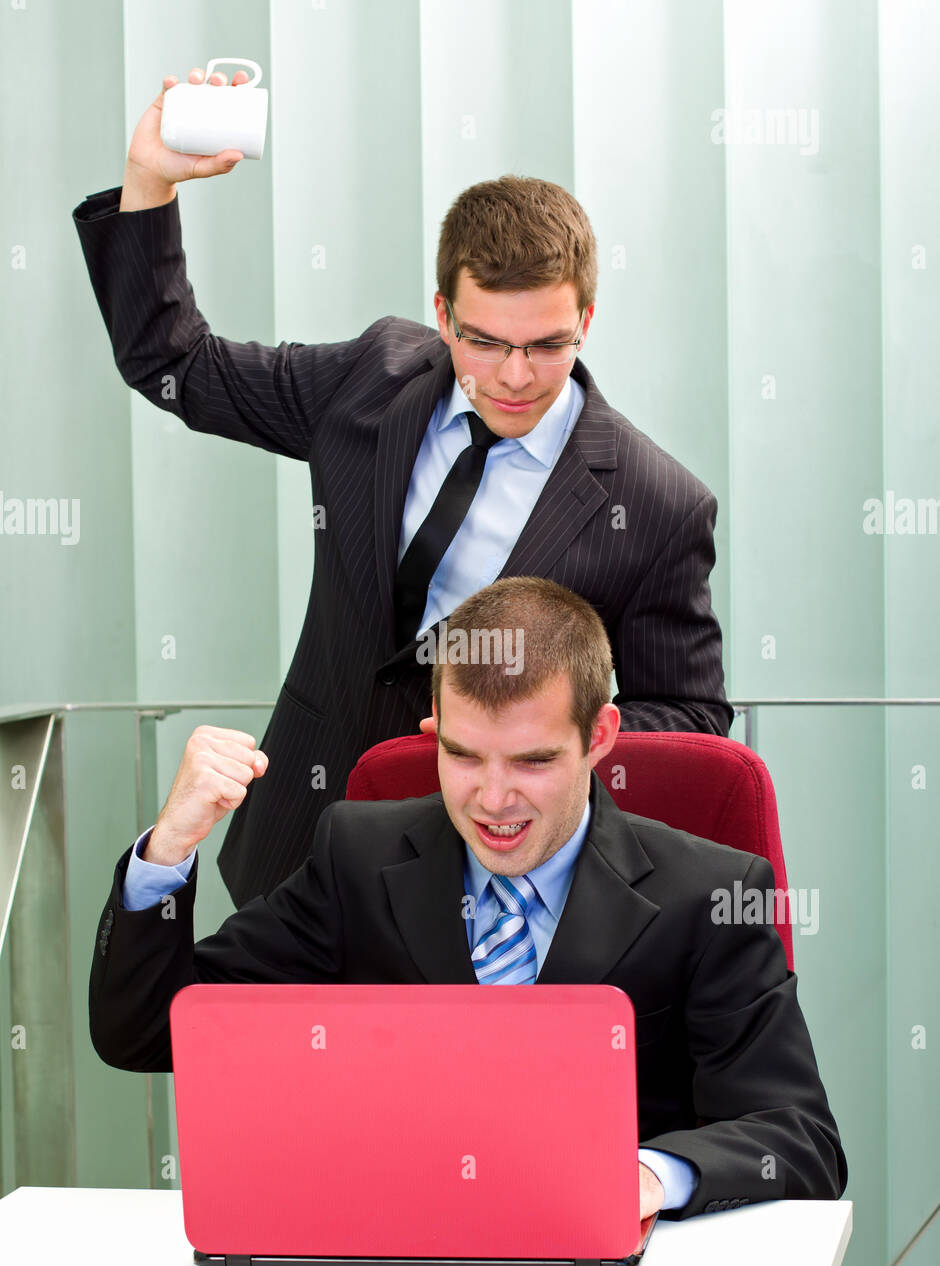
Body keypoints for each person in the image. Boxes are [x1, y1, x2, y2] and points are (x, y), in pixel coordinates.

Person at [73, 66, 733, 910]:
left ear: (587, 322)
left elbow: (692, 719)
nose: (516, 376)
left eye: (548, 344)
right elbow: (176, 365)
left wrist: (532, 733)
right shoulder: (373, 378)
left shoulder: (658, 503)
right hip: (303, 841)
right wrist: (150, 181)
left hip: (494, 879)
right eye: (486, 342)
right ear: (444, 312)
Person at [89, 576, 845, 1223]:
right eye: (461, 754)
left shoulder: (709, 893)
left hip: (609, 1265)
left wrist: (649, 1177)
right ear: (434, 730)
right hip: (404, 1251)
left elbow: (798, 1135)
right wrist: (168, 849)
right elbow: (151, 1033)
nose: (492, 799)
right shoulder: (357, 856)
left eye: (534, 760)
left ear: (601, 737)